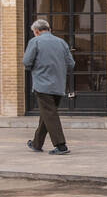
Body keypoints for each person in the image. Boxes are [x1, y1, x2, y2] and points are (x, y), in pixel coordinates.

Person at [23, 19, 74, 155]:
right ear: (49, 29)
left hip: (42, 84)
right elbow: (71, 64)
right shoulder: (61, 42)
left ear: (37, 31)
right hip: (58, 85)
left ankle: (61, 145)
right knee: (47, 114)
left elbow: (26, 61)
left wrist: (35, 68)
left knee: (50, 114)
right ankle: (36, 143)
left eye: (34, 32)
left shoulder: (35, 42)